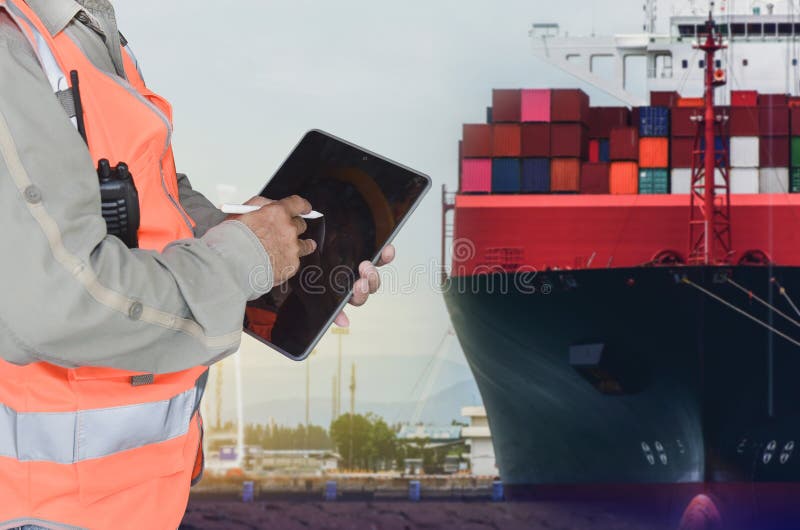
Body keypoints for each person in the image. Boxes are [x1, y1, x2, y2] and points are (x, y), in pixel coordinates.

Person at [0, 1, 393, 528]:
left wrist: (260, 241)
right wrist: (243, 258)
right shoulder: (15, 45)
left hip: (133, 503)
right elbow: (57, 301)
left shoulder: (85, 28)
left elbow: (144, 200)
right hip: (41, 509)